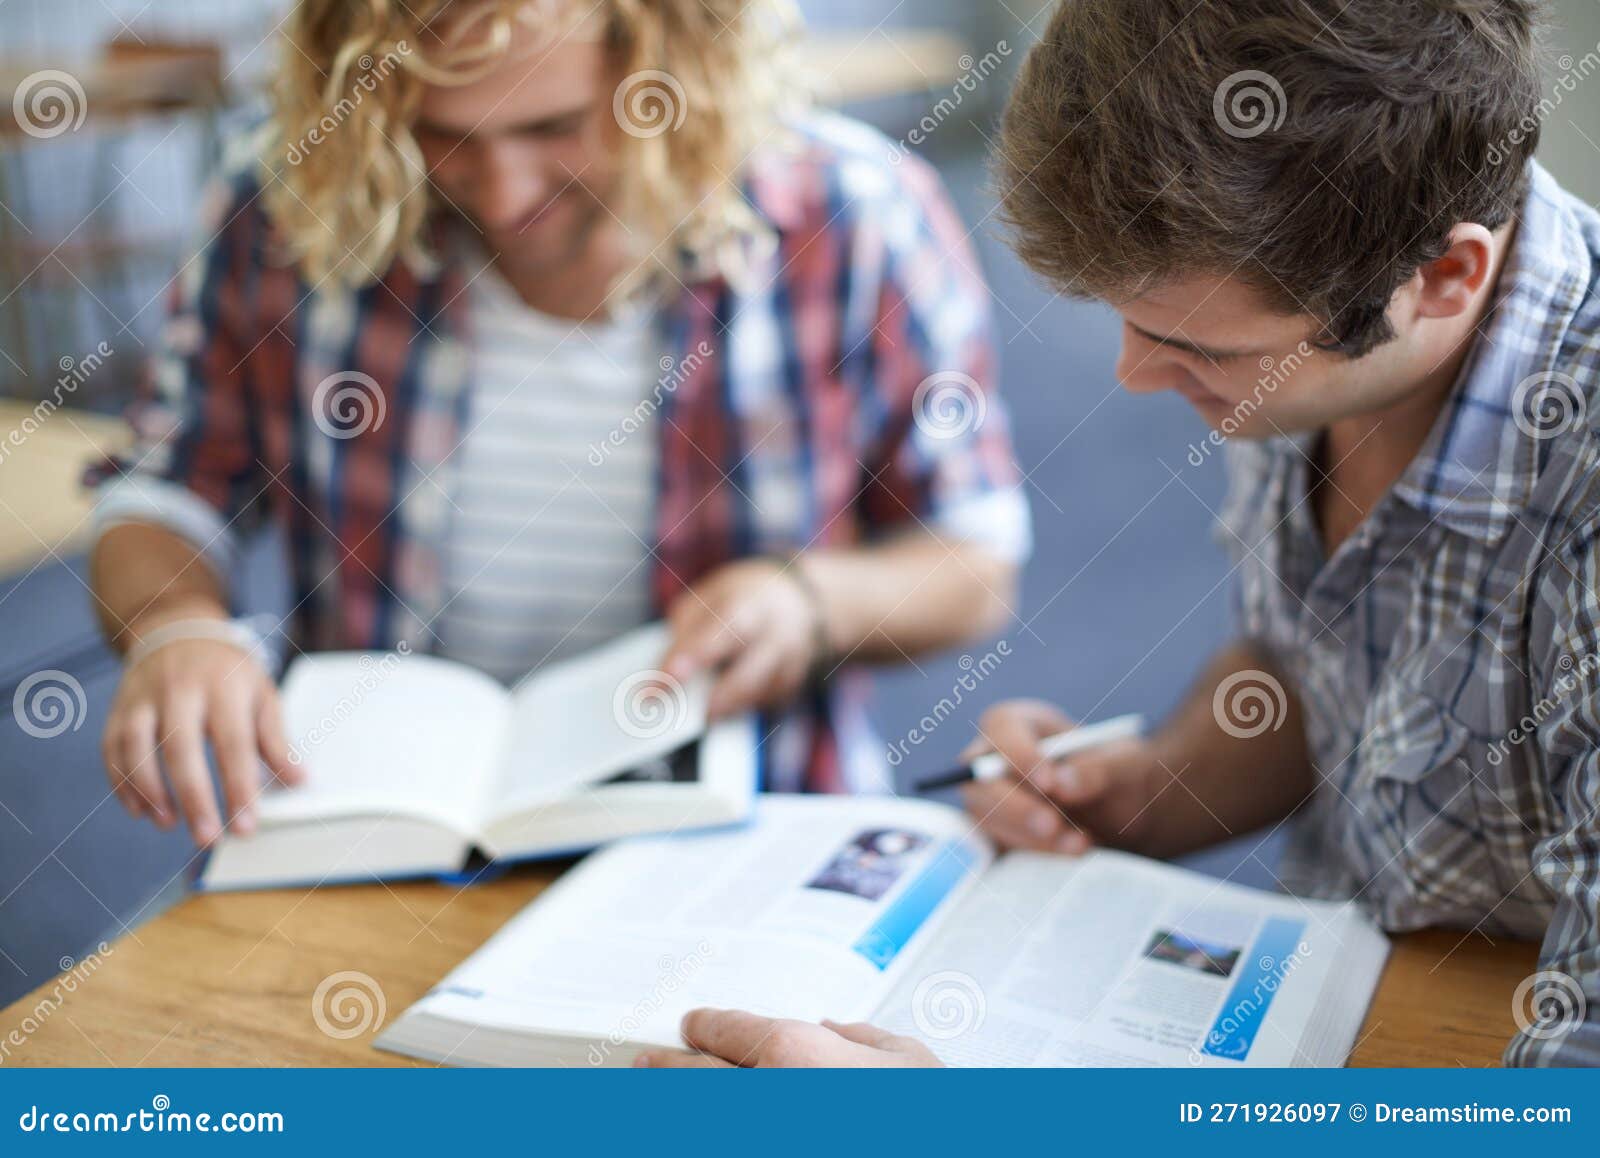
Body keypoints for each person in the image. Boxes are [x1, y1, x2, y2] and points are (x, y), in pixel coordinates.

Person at [642, 0, 1600, 1068]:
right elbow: (1328, 668)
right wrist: (1146, 789)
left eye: (1190, 345)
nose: (1133, 377)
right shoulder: (1308, 327)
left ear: (1442, 278)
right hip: (1345, 987)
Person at [87, 0, 1030, 847]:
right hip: (372, 830)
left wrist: (809, 603)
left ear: (674, 65)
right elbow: (167, 486)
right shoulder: (290, 195)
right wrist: (175, 627)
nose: (503, 197)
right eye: (442, 136)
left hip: (744, 832)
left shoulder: (857, 216)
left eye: (555, 127)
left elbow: (973, 564)